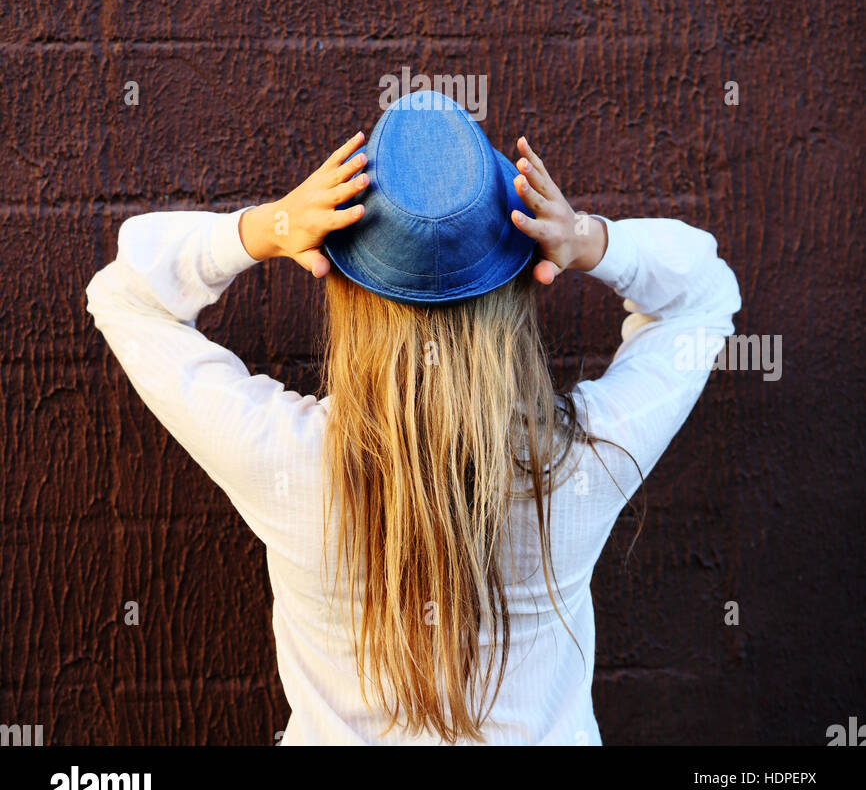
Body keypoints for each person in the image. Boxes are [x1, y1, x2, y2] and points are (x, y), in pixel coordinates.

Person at [85, 88, 741, 746]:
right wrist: (588, 240)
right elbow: (703, 298)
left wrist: (265, 228)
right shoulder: (582, 459)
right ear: (521, 279)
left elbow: (124, 297)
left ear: (341, 284)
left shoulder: (284, 455)